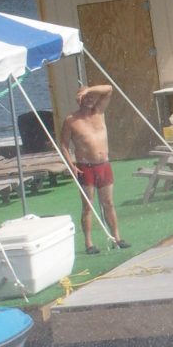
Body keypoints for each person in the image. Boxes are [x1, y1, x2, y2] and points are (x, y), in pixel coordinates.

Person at [59, 83, 129, 254]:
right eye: (85, 97)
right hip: (86, 167)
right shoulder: (71, 120)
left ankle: (117, 238)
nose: (90, 99)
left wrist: (89, 90)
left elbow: (109, 89)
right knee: (87, 206)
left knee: (109, 203)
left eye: (92, 96)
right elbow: (63, 145)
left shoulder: (99, 112)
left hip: (103, 165)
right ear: (78, 99)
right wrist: (72, 166)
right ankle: (88, 243)